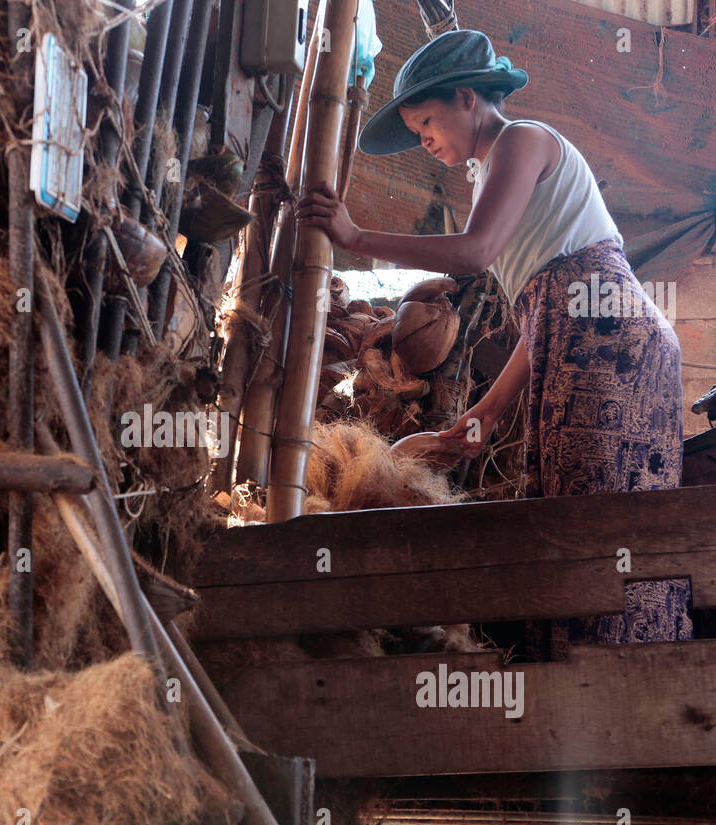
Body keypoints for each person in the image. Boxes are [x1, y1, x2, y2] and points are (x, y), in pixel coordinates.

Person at [296, 29, 693, 648]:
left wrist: (356, 237)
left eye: (428, 122)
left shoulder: (522, 140)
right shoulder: (487, 177)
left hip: (612, 340)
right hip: (582, 338)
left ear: (467, 97)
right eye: (416, 131)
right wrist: (482, 413)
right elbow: (543, 325)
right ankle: (590, 677)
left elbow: (475, 253)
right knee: (571, 511)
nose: (424, 141)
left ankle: (629, 674)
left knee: (598, 515)